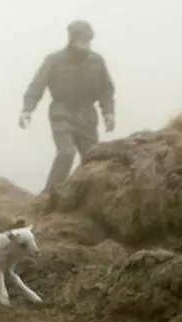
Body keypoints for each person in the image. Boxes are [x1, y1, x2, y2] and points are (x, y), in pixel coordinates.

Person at [18, 19, 116, 193]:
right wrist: (27, 109)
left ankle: (85, 197)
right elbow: (37, 86)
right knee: (66, 153)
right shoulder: (54, 60)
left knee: (92, 160)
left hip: (87, 115)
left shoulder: (97, 61)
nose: (86, 45)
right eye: (82, 40)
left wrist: (108, 113)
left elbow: (106, 89)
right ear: (72, 40)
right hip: (62, 113)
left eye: (88, 41)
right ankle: (49, 195)